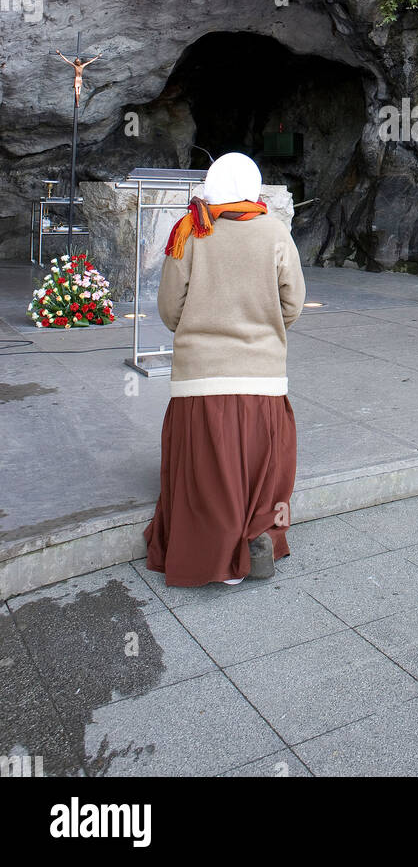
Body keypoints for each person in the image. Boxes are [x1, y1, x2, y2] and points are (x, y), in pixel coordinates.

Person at [144, 152, 305, 587]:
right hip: (261, 376)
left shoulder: (193, 232)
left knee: (210, 472)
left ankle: (214, 555)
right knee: (260, 465)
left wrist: (198, 329)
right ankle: (256, 536)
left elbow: (169, 307)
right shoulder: (275, 231)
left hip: (201, 378)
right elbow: (292, 303)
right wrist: (264, 329)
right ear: (252, 186)